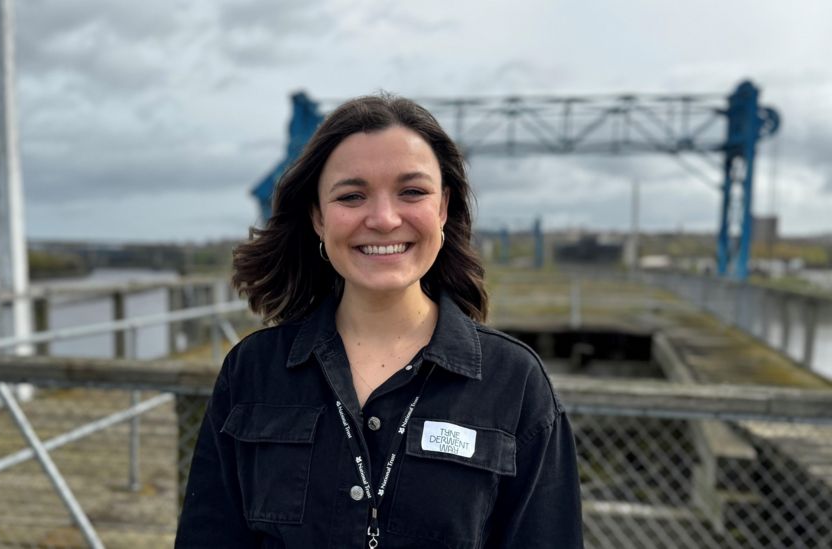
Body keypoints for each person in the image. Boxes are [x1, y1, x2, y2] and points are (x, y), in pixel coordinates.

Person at [175, 94, 583, 548]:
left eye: (412, 192)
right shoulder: (252, 371)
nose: (384, 219)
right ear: (317, 215)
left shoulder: (514, 382)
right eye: (352, 196)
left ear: (443, 208)